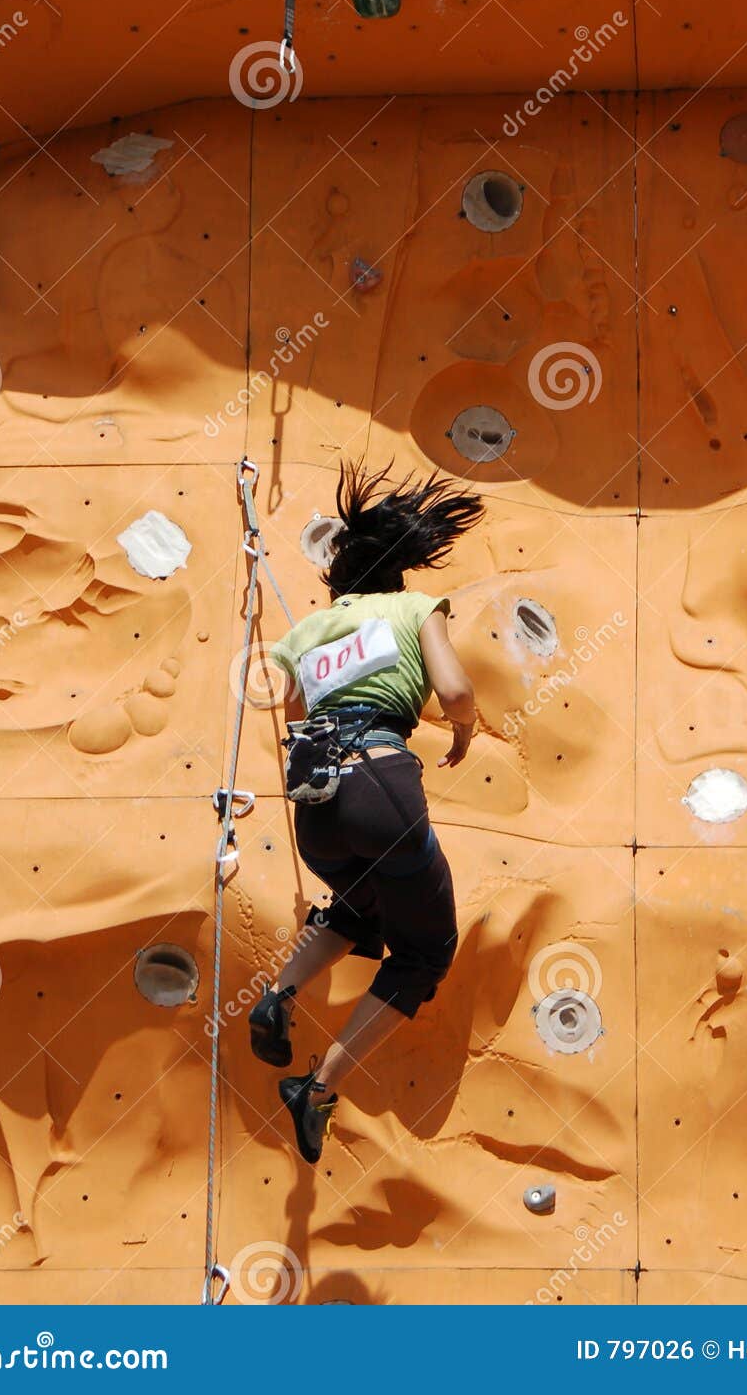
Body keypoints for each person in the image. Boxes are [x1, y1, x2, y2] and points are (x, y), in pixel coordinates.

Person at [248, 461, 482, 1164]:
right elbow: (455, 688)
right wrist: (465, 730)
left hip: (317, 808)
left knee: (358, 913)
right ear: (397, 573)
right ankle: (317, 1089)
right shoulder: (416, 609)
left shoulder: (305, 634)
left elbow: (290, 719)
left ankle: (280, 994)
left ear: (339, 581)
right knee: (424, 950)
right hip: (381, 783)